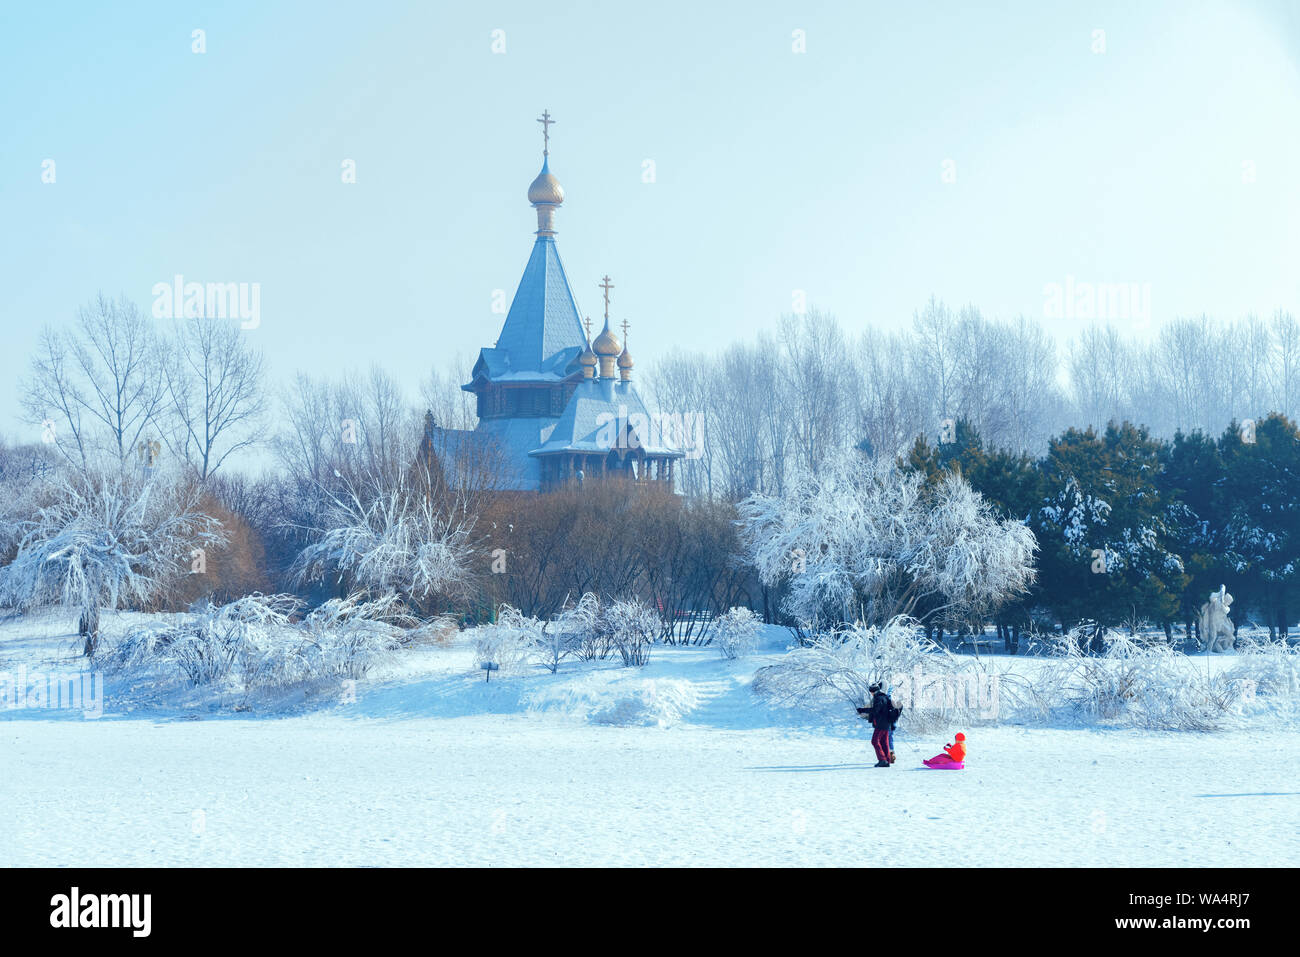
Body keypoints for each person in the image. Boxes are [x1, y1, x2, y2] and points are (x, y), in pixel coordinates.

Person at [862, 683, 900, 768]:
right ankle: (887, 760)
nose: (871, 693)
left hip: (881, 724)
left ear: (873, 691)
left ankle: (882, 760)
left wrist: (863, 710)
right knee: (884, 742)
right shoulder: (885, 697)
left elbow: (876, 710)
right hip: (887, 724)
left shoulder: (879, 698)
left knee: (875, 741)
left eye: (871, 692)